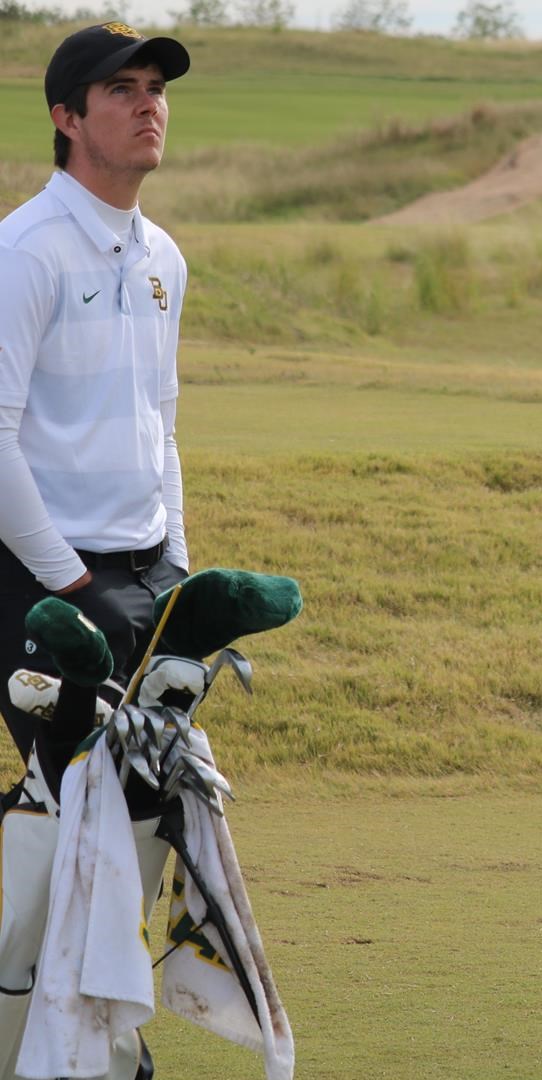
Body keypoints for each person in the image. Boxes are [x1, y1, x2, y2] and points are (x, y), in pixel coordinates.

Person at [0, 21, 192, 1077]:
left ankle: (87, 1042)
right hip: (40, 580)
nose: (148, 103)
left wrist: (181, 583)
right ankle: (76, 1050)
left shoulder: (163, 255)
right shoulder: (24, 250)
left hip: (138, 574)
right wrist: (72, 583)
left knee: (142, 815)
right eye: (120, 88)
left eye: (156, 86)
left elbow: (163, 426)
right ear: (68, 119)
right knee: (75, 814)